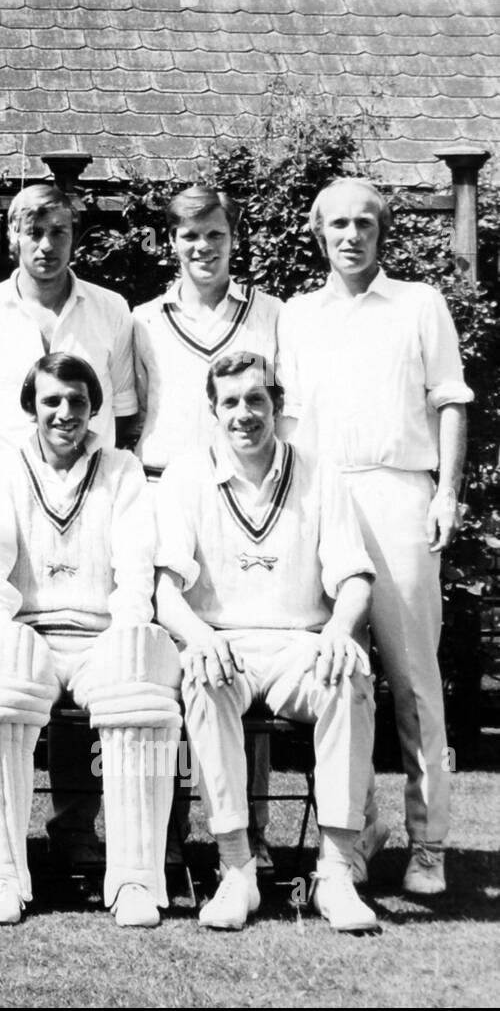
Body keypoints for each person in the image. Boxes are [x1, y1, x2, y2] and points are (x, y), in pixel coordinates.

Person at [278, 177, 471, 895]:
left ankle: (430, 844)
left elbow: (449, 400)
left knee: (416, 679)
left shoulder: (419, 304)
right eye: (338, 225)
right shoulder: (297, 316)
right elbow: (288, 423)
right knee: (339, 674)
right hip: (324, 498)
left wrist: (446, 493)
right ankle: (353, 836)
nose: (351, 236)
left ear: (381, 231)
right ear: (319, 234)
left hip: (399, 494)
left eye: (364, 223)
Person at [155, 350, 379, 932]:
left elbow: (354, 578)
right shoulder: (185, 475)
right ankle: (237, 873)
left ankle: (334, 874)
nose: (244, 413)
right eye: (230, 402)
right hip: (223, 642)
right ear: (213, 409)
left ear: (276, 405)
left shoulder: (319, 471)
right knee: (202, 677)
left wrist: (337, 630)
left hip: (301, 644)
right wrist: (199, 636)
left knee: (350, 672)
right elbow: (166, 592)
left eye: (256, 399)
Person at [0, 352, 180, 927]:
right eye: (52, 400)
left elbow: (135, 573)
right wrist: (5, 635)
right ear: (32, 406)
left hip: (100, 637)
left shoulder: (122, 470)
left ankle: (134, 879)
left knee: (142, 679)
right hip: (26, 632)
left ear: (94, 409)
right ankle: (1, 876)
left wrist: (128, 637)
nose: (65, 413)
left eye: (78, 401)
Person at [132, 185, 284, 869]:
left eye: (215, 234)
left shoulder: (272, 316)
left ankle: (250, 832)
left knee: (240, 653)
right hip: (166, 487)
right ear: (172, 243)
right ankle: (163, 832)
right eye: (190, 236)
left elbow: (287, 414)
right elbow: (130, 418)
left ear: (232, 237)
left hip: (248, 494)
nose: (203, 248)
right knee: (168, 664)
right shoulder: (141, 320)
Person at [0, 182, 138, 466]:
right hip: (5, 493)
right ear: (14, 235)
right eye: (34, 232)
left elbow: (123, 409)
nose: (47, 245)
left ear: (73, 237)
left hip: (90, 492)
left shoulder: (112, 308)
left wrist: (83, 469)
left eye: (59, 232)